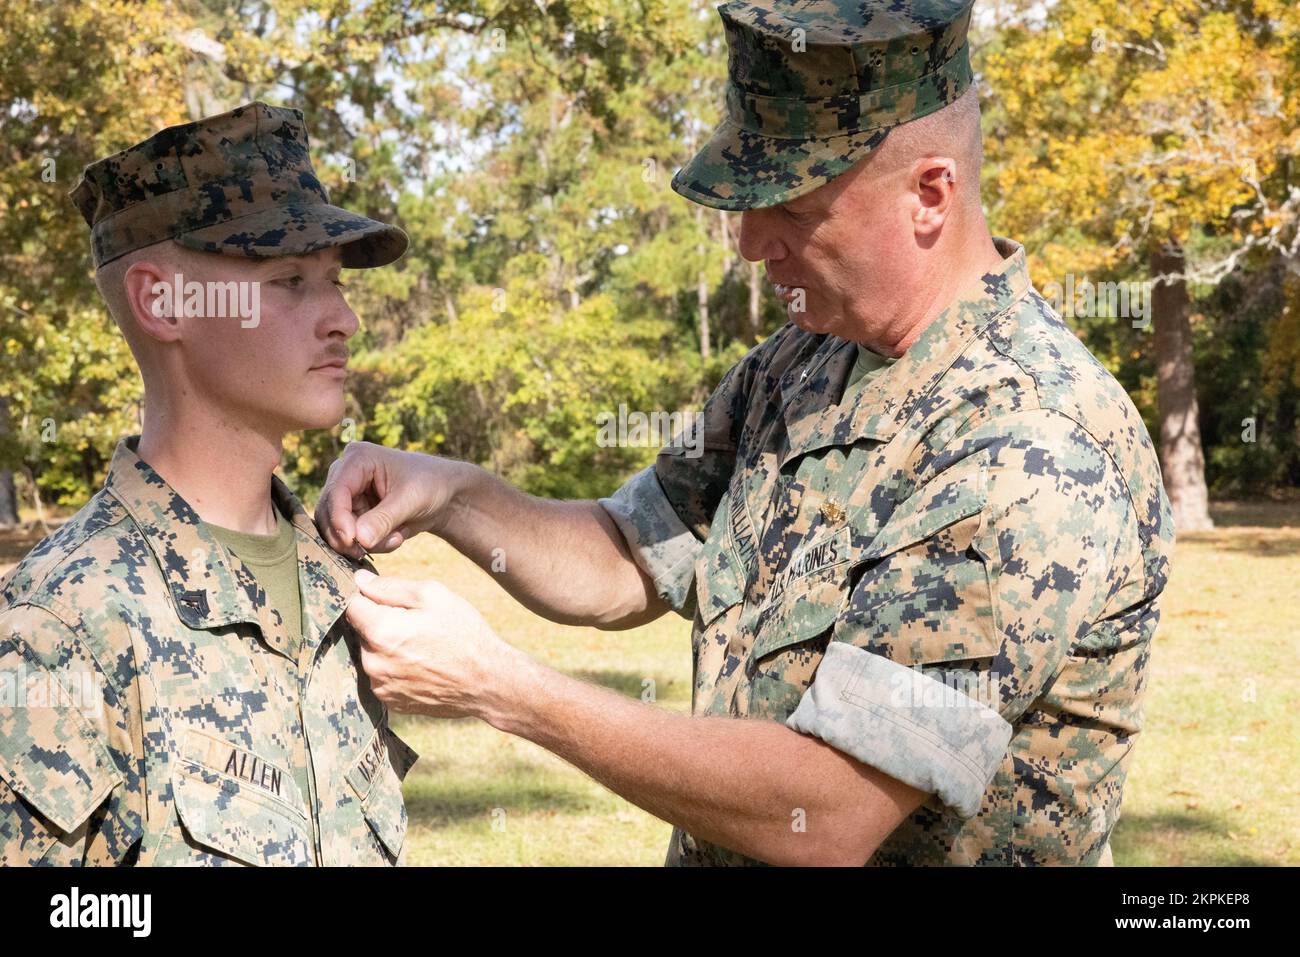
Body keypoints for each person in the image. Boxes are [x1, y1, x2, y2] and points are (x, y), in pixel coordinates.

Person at [323, 0, 1175, 866]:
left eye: (792, 209)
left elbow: (829, 810)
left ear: (929, 195)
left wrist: (502, 688)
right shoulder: (800, 364)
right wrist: (457, 497)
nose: (750, 242)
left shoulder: (1028, 441)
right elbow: (631, 556)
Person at [0, 102, 418, 866]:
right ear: (162, 303)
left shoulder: (345, 585)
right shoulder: (61, 627)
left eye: (333, 279)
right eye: (290, 279)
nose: (344, 318)